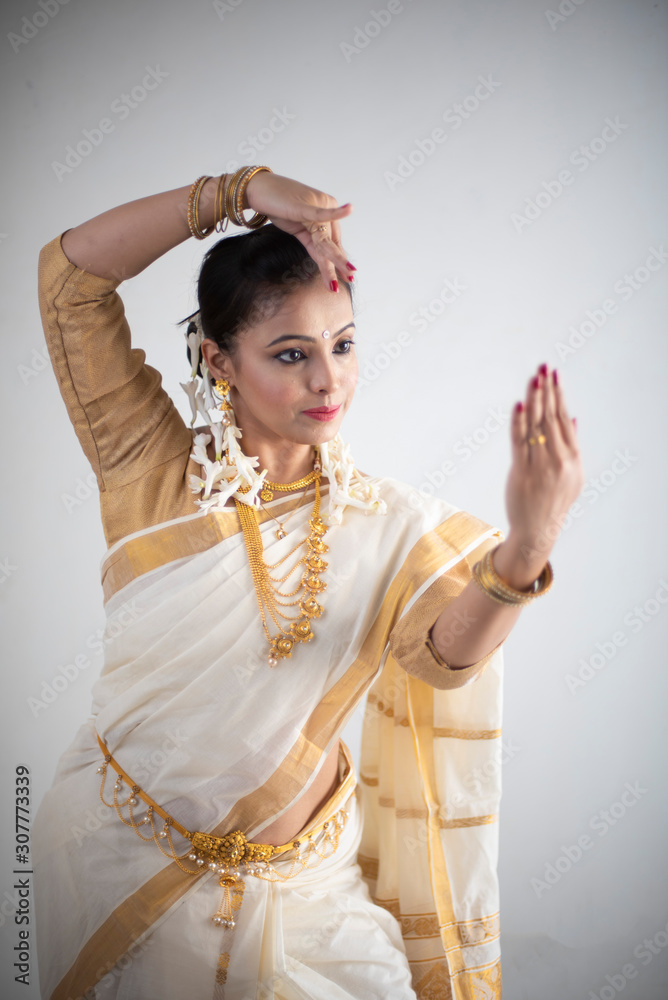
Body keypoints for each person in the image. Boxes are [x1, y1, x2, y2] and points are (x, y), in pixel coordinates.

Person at [33, 166, 584, 1000]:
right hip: (122, 866)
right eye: (291, 354)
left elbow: (438, 660)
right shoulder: (146, 466)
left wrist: (525, 551)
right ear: (220, 361)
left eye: (344, 344)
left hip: (314, 894)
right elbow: (71, 282)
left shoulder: (387, 523)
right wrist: (234, 191)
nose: (328, 379)